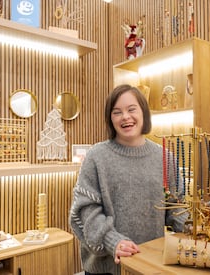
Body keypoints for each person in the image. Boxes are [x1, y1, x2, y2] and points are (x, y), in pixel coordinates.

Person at [69, 84, 186, 275]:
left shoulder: (165, 156)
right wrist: (112, 241)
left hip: (150, 263)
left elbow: (175, 205)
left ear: (143, 113)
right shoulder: (96, 156)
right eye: (117, 112)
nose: (125, 117)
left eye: (132, 109)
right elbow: (85, 211)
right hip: (106, 267)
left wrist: (194, 229)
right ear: (110, 118)